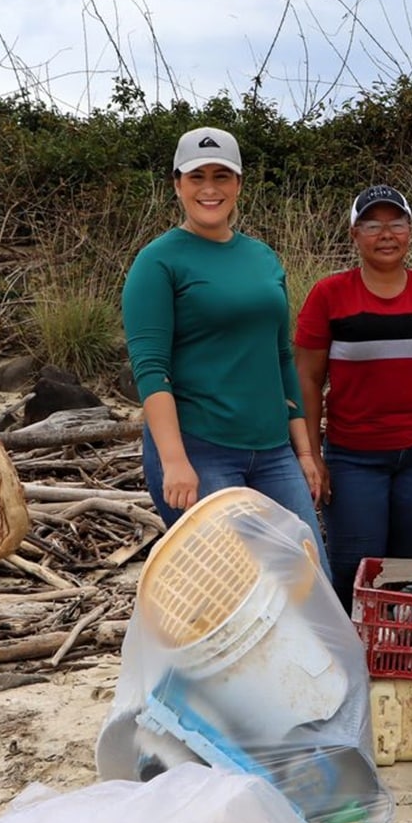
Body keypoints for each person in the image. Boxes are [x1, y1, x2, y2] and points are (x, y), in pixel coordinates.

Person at [122, 126, 325, 561]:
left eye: (222, 176)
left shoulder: (262, 257)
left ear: (238, 184)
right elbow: (151, 368)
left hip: (273, 451)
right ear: (177, 184)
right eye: (197, 177)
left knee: (309, 579)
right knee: (231, 586)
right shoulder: (158, 261)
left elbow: (280, 355)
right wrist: (175, 461)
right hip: (200, 449)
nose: (209, 189)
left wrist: (304, 450)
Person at [295, 185, 412, 607]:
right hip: (353, 458)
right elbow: (306, 379)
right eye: (372, 224)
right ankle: (352, 660)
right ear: (354, 234)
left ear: (411, 231)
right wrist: (312, 455)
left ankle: (398, 658)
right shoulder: (329, 296)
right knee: (353, 566)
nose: (386, 234)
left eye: (396, 223)